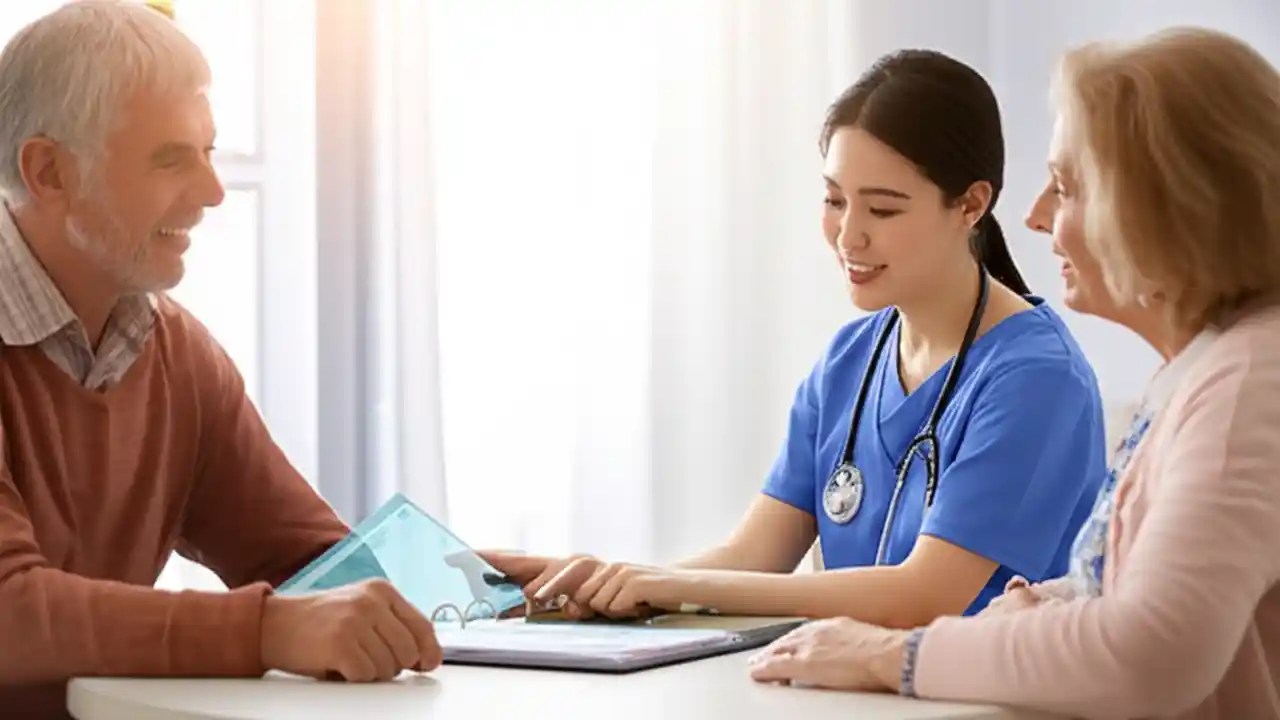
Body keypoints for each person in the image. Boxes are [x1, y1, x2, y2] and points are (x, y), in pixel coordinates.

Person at [746, 26, 1280, 719]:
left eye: (1065, 187)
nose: (1031, 218)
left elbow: (1151, 651)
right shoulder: (1212, 373)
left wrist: (890, 657)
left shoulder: (1246, 388)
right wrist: (1029, 609)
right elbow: (1124, 597)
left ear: (1173, 203)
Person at [481, 50, 1107, 627]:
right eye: (835, 200)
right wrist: (590, 585)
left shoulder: (1035, 378)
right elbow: (755, 555)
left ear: (971, 205)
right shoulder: (849, 360)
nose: (848, 236)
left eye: (882, 210)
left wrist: (659, 586)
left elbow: (925, 595)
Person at [0, 3, 440, 717]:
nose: (210, 192)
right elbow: (9, 613)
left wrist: (530, 590)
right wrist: (265, 629)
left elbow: (318, 568)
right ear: (48, 171)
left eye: (209, 152)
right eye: (170, 158)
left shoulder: (175, 350)